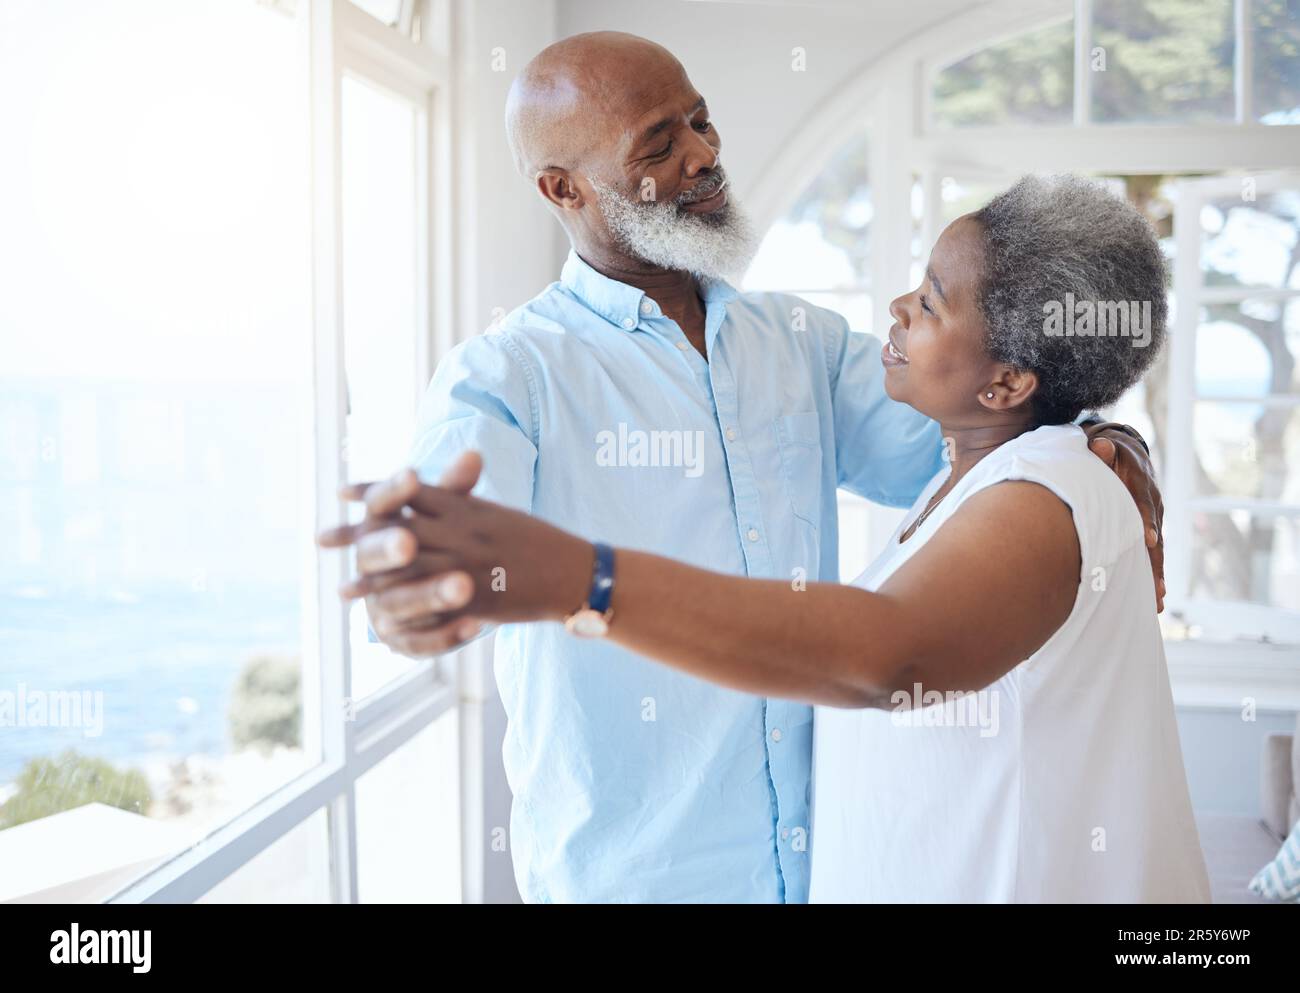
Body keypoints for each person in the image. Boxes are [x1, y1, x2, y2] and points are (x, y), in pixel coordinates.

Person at [322, 31, 1167, 904]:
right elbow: (437, 570)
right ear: (562, 189)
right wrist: (407, 589)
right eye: (659, 145)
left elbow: (993, 426)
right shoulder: (506, 378)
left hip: (828, 877)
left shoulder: (799, 344)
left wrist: (1101, 436)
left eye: (701, 119)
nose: (703, 154)